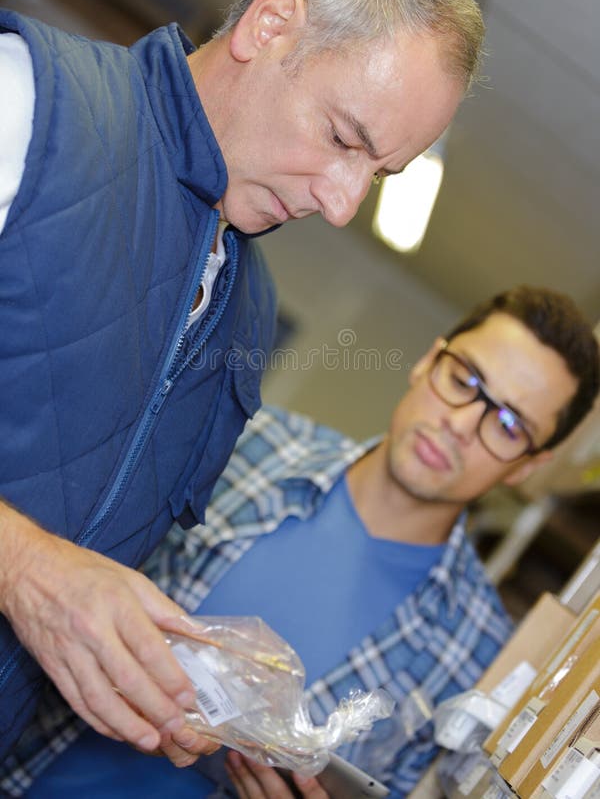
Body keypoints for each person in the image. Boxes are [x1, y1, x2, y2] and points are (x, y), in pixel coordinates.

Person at [0, 0, 483, 765]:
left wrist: (179, 680)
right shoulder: (29, 104)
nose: (342, 205)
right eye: (344, 139)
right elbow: (46, 569)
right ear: (270, 25)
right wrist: (25, 569)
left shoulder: (248, 312)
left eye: (378, 176)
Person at [5, 285, 598, 798]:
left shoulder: (479, 660)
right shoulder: (244, 444)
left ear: (528, 466)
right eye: (464, 379)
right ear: (428, 361)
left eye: (508, 426)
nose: (461, 424)